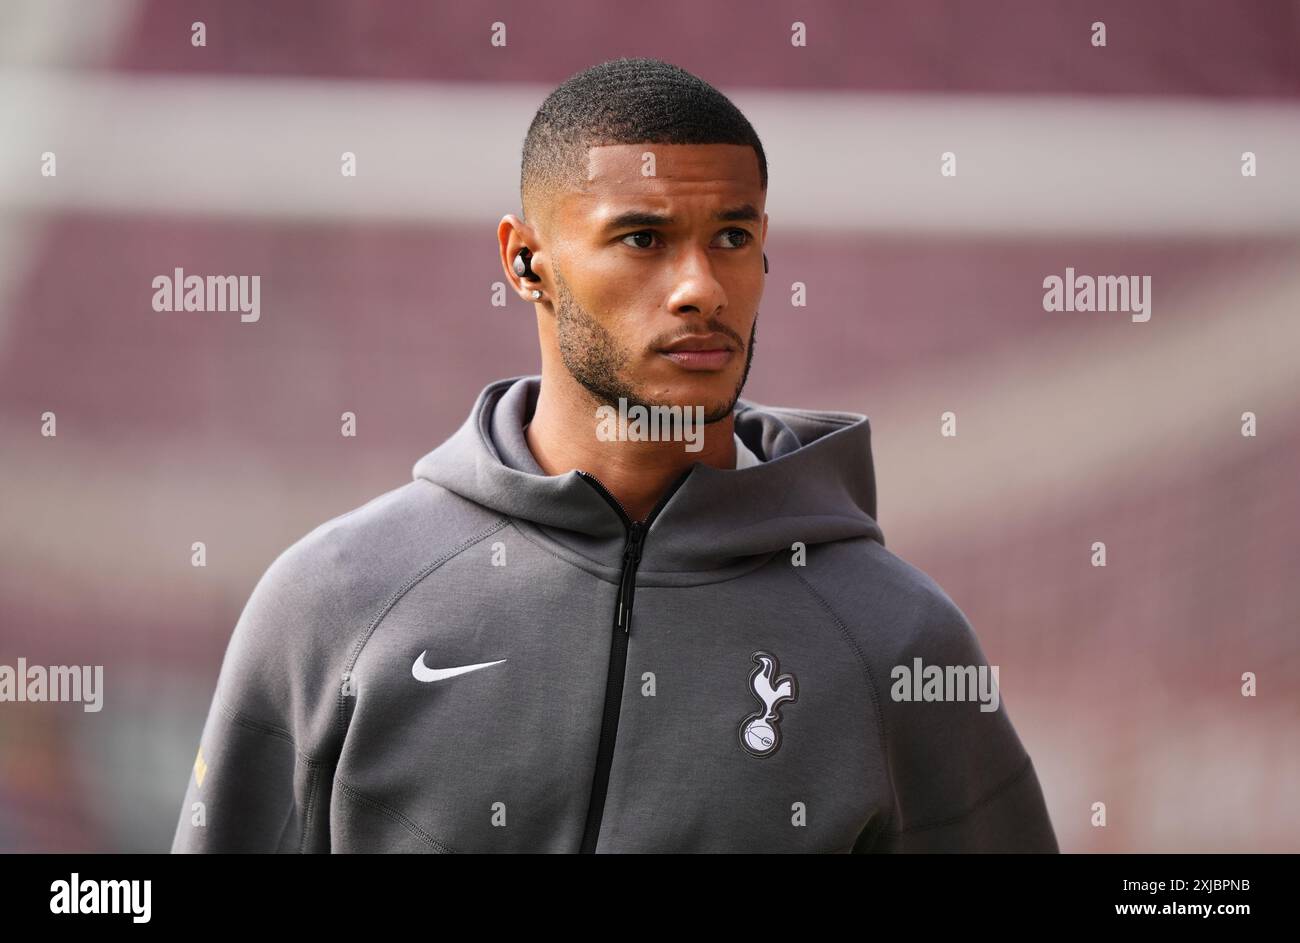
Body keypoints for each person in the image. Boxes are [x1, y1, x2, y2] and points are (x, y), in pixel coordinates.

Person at [170, 57, 1058, 853]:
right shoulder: (335, 603)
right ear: (526, 261)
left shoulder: (894, 637)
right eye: (643, 238)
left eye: (733, 237)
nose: (701, 288)